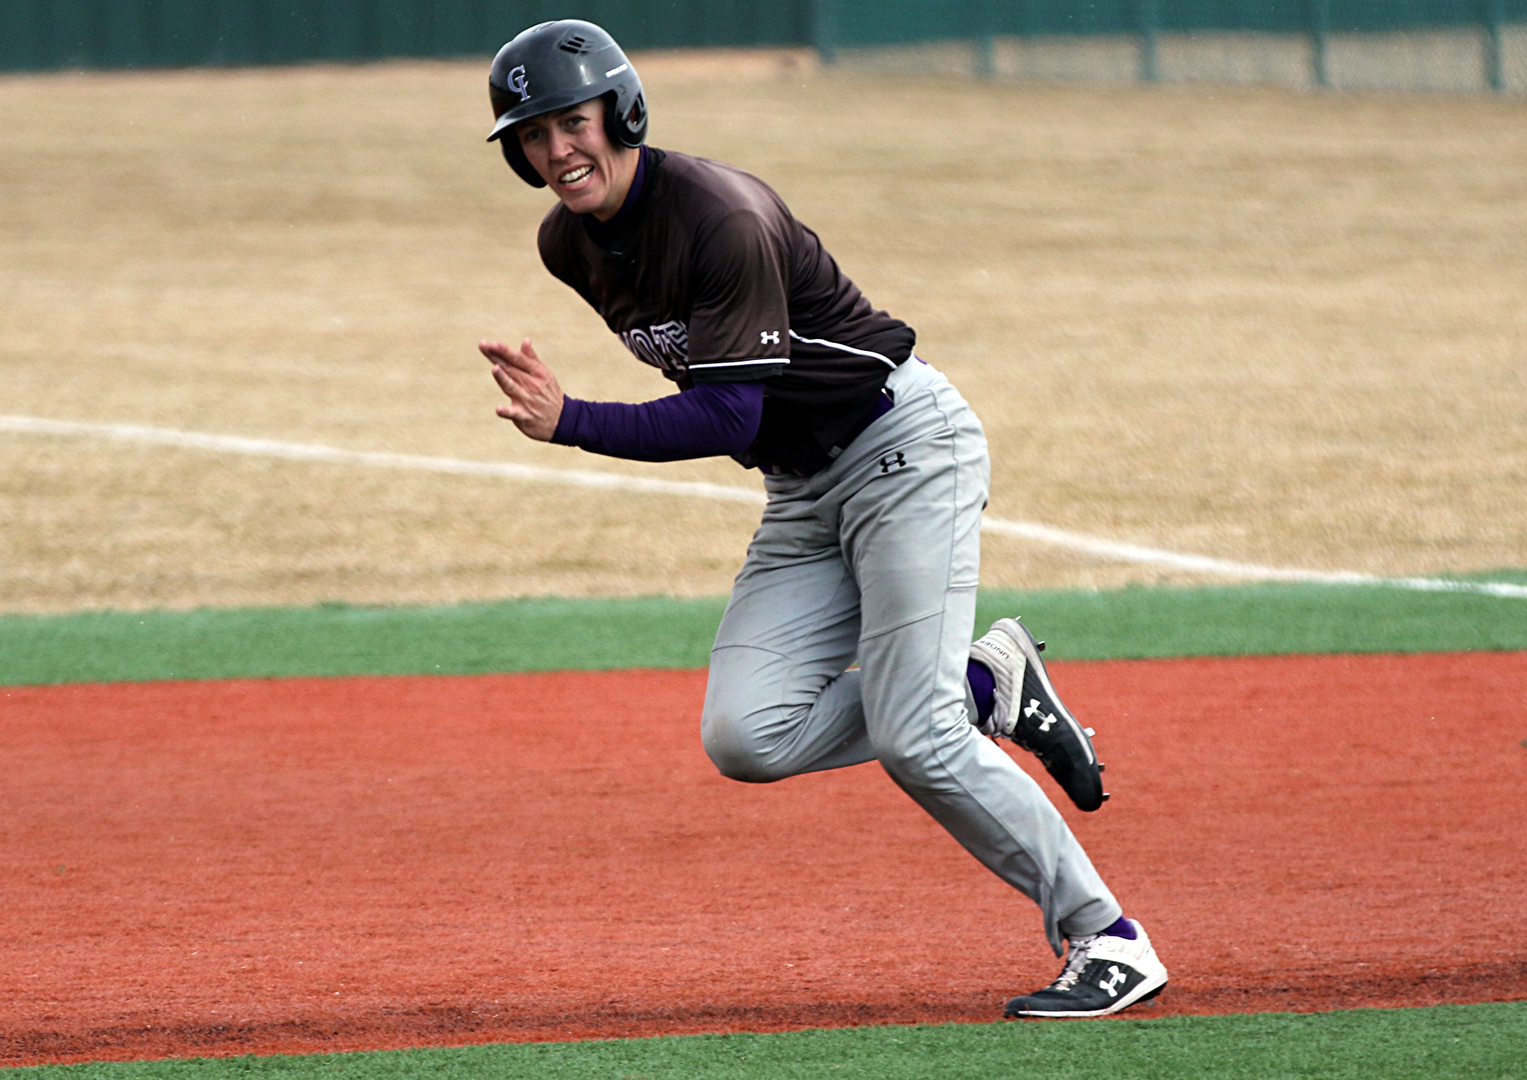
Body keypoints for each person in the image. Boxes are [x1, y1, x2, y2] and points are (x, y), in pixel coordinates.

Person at [476, 20, 1166, 1019]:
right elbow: (734, 398)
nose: (555, 153)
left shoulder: (721, 217)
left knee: (915, 738)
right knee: (746, 735)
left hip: (902, 453)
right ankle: (982, 681)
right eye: (531, 136)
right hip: (803, 487)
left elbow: (727, 410)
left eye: (570, 124)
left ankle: (1109, 937)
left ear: (620, 112)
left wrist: (572, 421)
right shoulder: (566, 244)